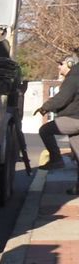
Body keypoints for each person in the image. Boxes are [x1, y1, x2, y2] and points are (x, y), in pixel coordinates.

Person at [36, 55, 79, 190]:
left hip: (75, 119)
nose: (58, 66)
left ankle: (56, 159)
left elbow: (62, 98)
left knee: (45, 130)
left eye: (61, 64)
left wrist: (45, 107)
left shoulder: (73, 78)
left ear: (70, 64)